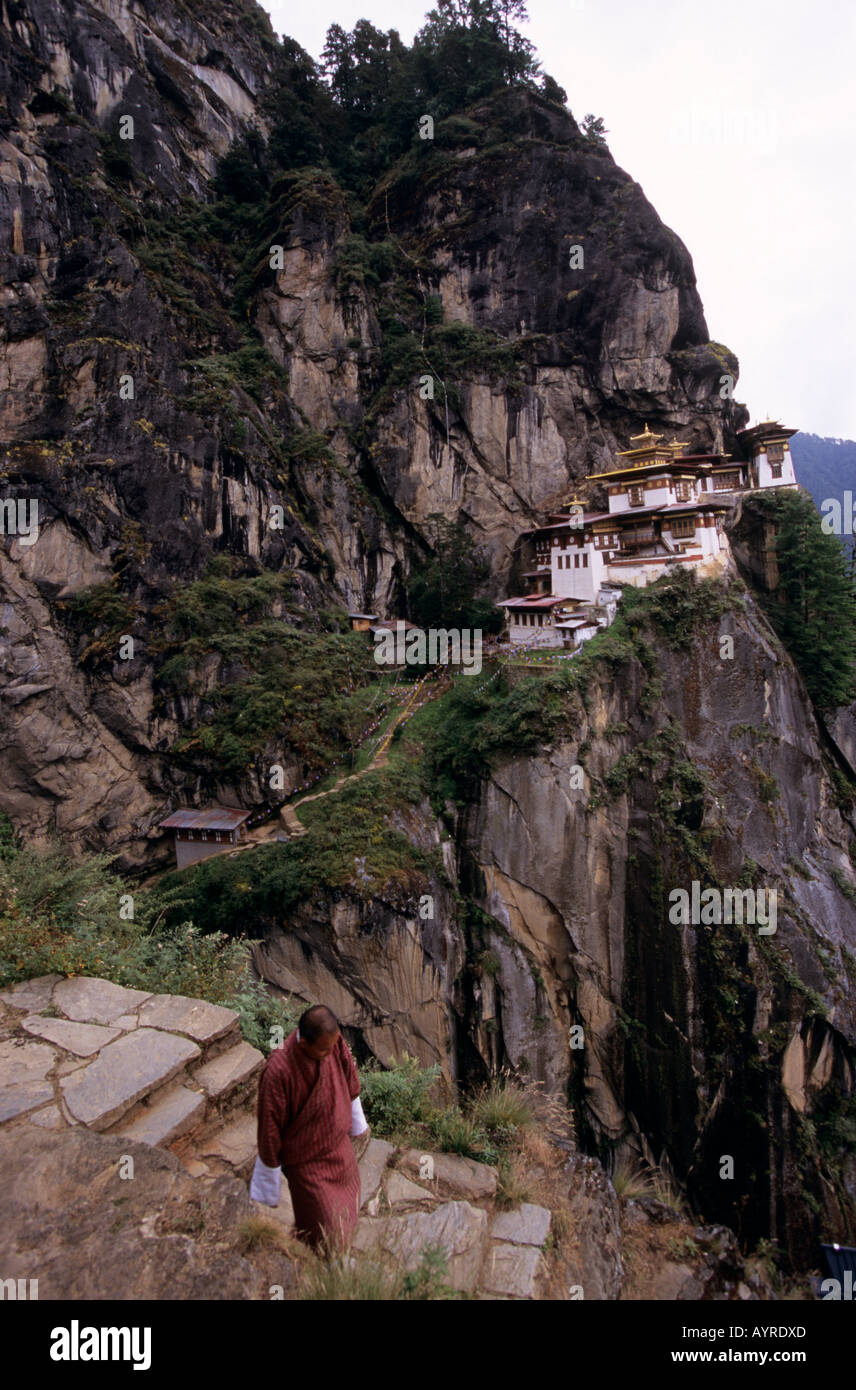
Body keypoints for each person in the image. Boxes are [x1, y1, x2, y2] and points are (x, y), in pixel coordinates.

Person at [249, 1004, 370, 1249]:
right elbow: (269, 1125)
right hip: (306, 1161)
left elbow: (349, 1074)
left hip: (339, 1148)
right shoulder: (279, 1070)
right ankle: (317, 1259)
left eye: (334, 1044)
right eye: (323, 1050)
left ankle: (330, 1253)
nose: (331, 1051)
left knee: (350, 1203)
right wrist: (270, 1169)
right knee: (323, 1224)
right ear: (303, 1044)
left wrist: (357, 1123)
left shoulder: (333, 1044)